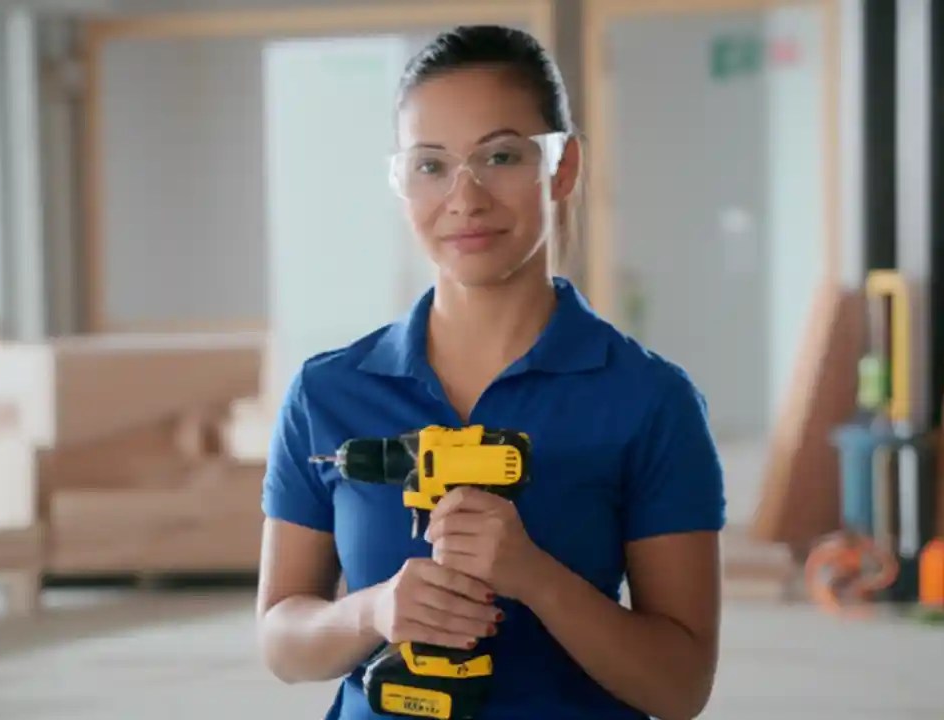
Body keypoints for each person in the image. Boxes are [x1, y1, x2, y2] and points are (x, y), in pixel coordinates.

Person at [255, 24, 726, 720]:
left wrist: (535, 577)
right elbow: (281, 640)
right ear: (401, 180)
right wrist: (372, 610)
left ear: (562, 168)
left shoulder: (650, 400)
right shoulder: (328, 395)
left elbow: (680, 688)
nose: (465, 198)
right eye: (431, 164)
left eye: (500, 156)